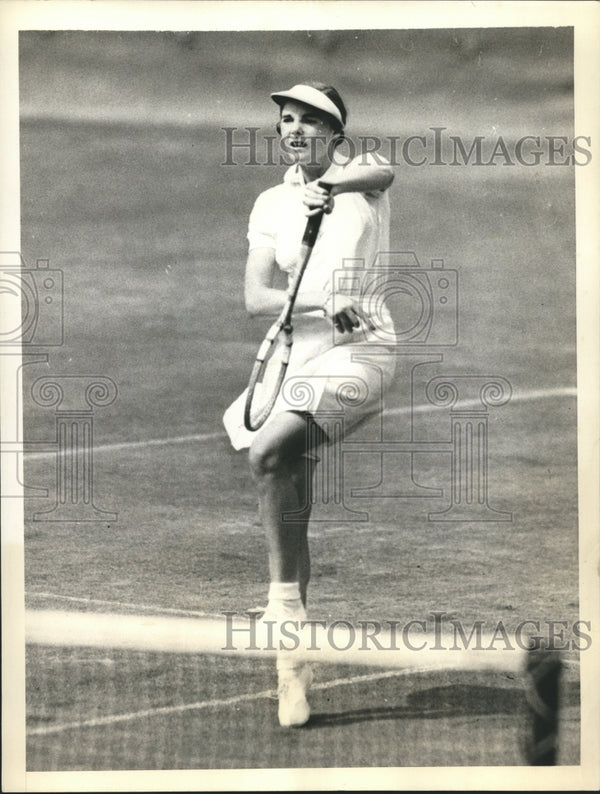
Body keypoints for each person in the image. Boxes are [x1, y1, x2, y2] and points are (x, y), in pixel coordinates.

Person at [223, 82, 396, 727]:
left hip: (363, 354)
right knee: (290, 497)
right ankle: (292, 674)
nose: (295, 128)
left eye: (310, 120)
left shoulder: (363, 178)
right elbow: (256, 296)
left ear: (334, 132)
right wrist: (321, 302)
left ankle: (279, 604)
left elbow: (388, 167)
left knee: (268, 451)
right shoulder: (271, 201)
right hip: (299, 352)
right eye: (286, 119)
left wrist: (337, 188)